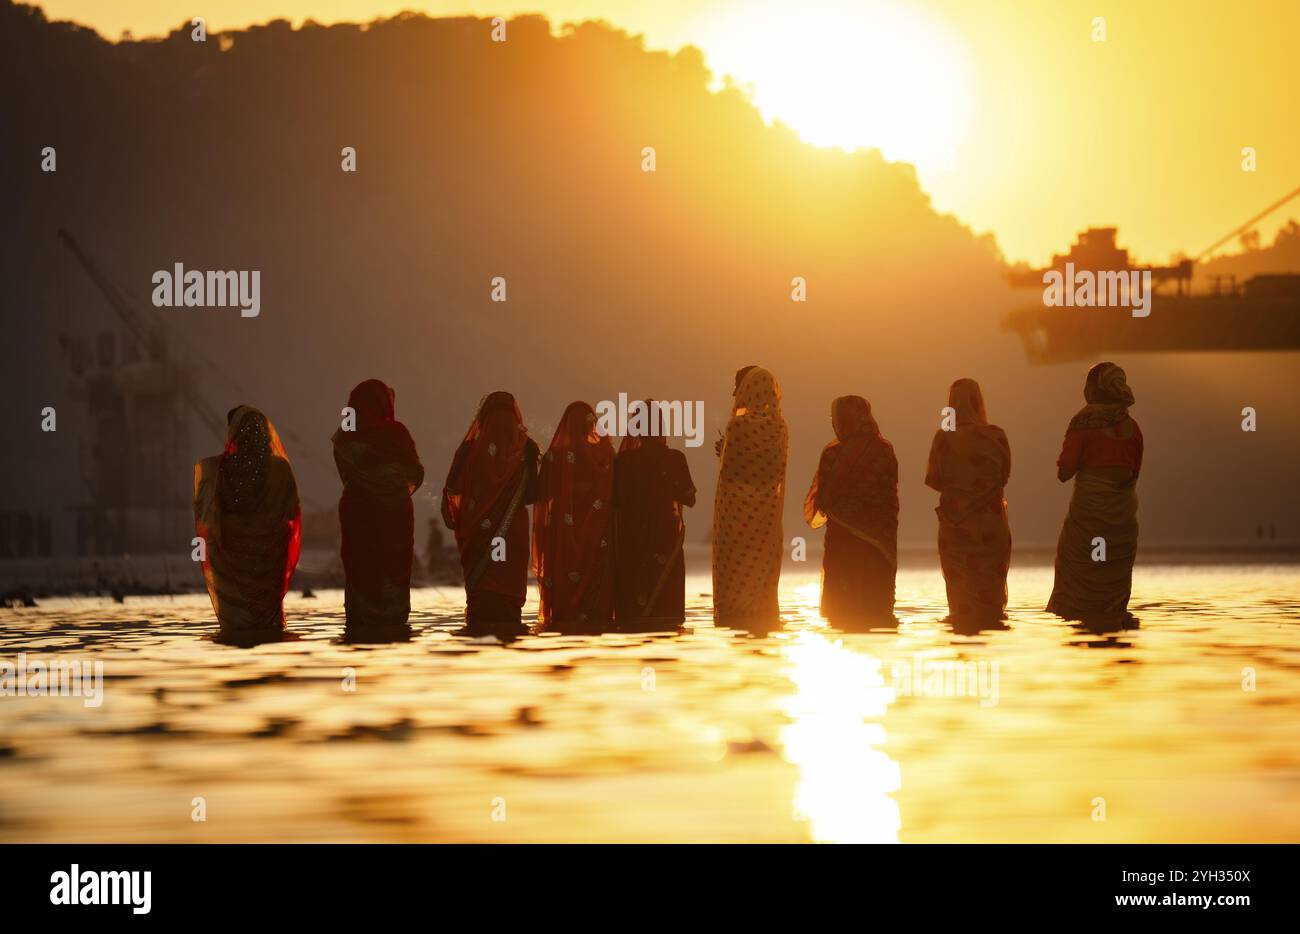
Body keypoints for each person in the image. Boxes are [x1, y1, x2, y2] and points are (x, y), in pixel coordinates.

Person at [193, 405, 301, 645]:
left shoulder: (214, 471)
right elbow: (292, 511)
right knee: (268, 628)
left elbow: (204, 517)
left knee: (236, 628)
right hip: (270, 563)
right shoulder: (280, 469)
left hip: (229, 567)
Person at [1046, 362, 1143, 623]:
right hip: (1123, 519)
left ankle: (1080, 621)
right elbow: (1134, 473)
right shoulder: (1133, 429)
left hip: (1089, 517)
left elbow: (1064, 472)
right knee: (1113, 576)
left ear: (1093, 388)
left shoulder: (1083, 422)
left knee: (1075, 572)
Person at [442, 392, 540, 635]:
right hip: (511, 534)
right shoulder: (526, 448)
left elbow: (452, 492)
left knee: (483, 594)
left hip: (477, 535)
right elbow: (532, 495)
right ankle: (508, 626)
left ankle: (480, 628)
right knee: (507, 602)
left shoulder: (469, 450)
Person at [333, 379, 424, 640]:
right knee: (385, 572)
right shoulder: (397, 433)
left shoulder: (346, 436)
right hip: (393, 516)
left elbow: (347, 474)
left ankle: (363, 628)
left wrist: (372, 474)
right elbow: (416, 474)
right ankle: (391, 624)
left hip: (359, 512)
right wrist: (390, 480)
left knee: (363, 571)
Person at [805, 395, 898, 624]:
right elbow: (889, 494)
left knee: (841, 612)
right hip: (879, 539)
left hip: (843, 541)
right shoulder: (885, 450)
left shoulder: (833, 454)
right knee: (875, 609)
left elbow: (823, 500)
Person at [924, 379, 1012, 623]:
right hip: (991, 528)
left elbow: (934, 481)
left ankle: (963, 638)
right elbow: (1004, 476)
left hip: (956, 527)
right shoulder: (997, 435)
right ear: (978, 401)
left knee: (961, 596)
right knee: (990, 593)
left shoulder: (943, 438)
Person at [713, 366, 788, 627]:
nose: (735, 392)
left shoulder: (738, 426)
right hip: (766, 518)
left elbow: (732, 471)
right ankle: (762, 621)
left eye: (738, 386)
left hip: (737, 518)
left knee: (737, 577)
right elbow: (775, 471)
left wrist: (723, 453)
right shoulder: (780, 428)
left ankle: (735, 621)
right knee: (759, 573)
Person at [613, 402, 697, 630]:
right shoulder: (675, 458)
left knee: (633, 611)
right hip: (665, 541)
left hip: (632, 543)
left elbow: (614, 503)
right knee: (667, 614)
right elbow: (690, 497)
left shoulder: (623, 461)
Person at [533, 401, 615, 632]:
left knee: (566, 587)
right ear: (592, 426)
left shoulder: (555, 457)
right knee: (595, 606)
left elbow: (539, 495)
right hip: (596, 536)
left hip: (564, 539)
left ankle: (564, 619)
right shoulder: (606, 455)